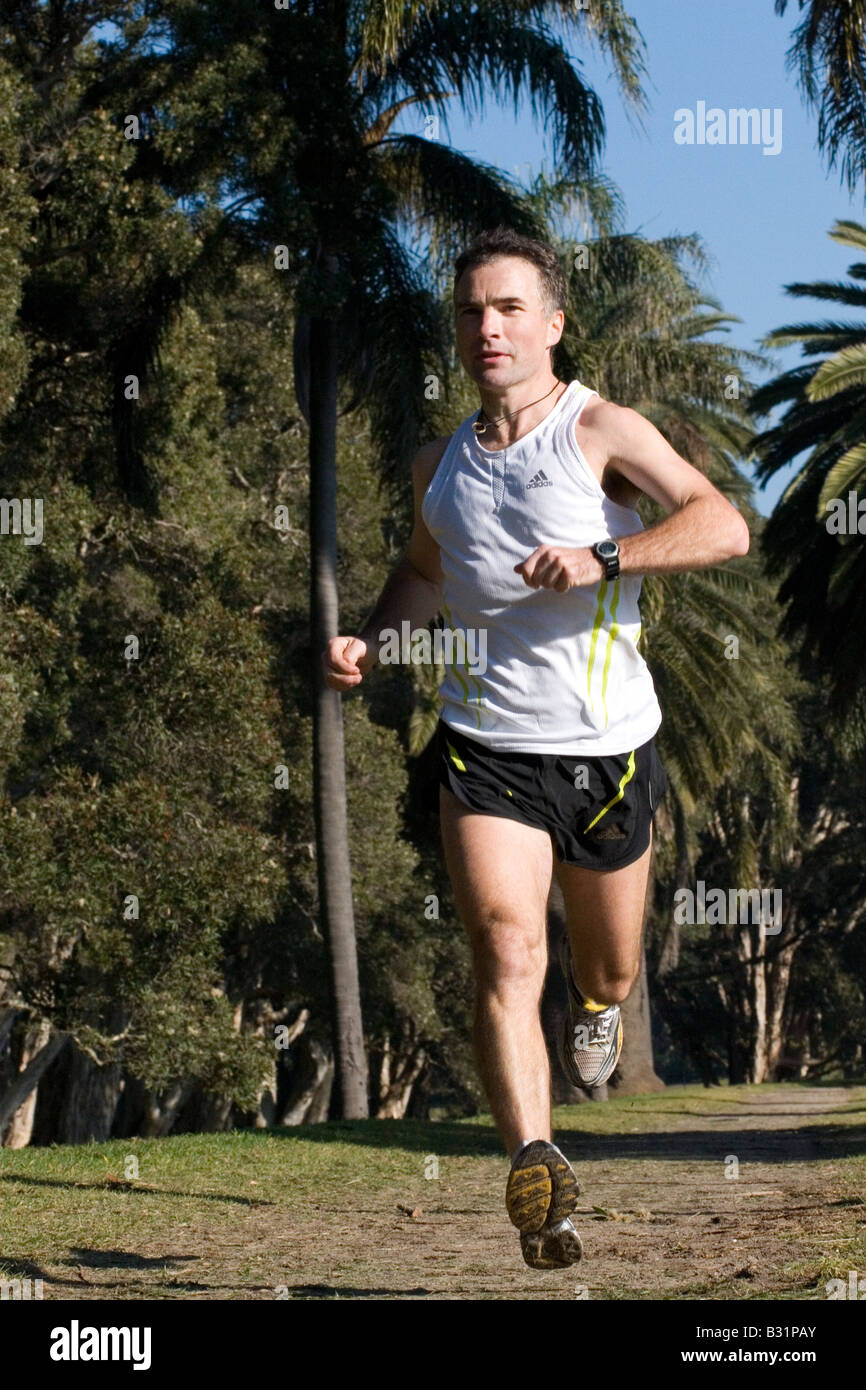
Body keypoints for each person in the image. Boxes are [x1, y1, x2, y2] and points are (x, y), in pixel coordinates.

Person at [322, 226, 749, 1271]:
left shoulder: (598, 431)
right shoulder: (442, 464)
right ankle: (537, 1172)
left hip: (607, 756)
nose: (487, 326)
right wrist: (370, 642)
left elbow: (721, 524)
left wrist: (604, 555)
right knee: (509, 951)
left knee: (600, 964)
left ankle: (599, 1010)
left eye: (509, 307)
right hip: (486, 751)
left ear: (551, 325)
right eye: (471, 310)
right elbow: (424, 573)